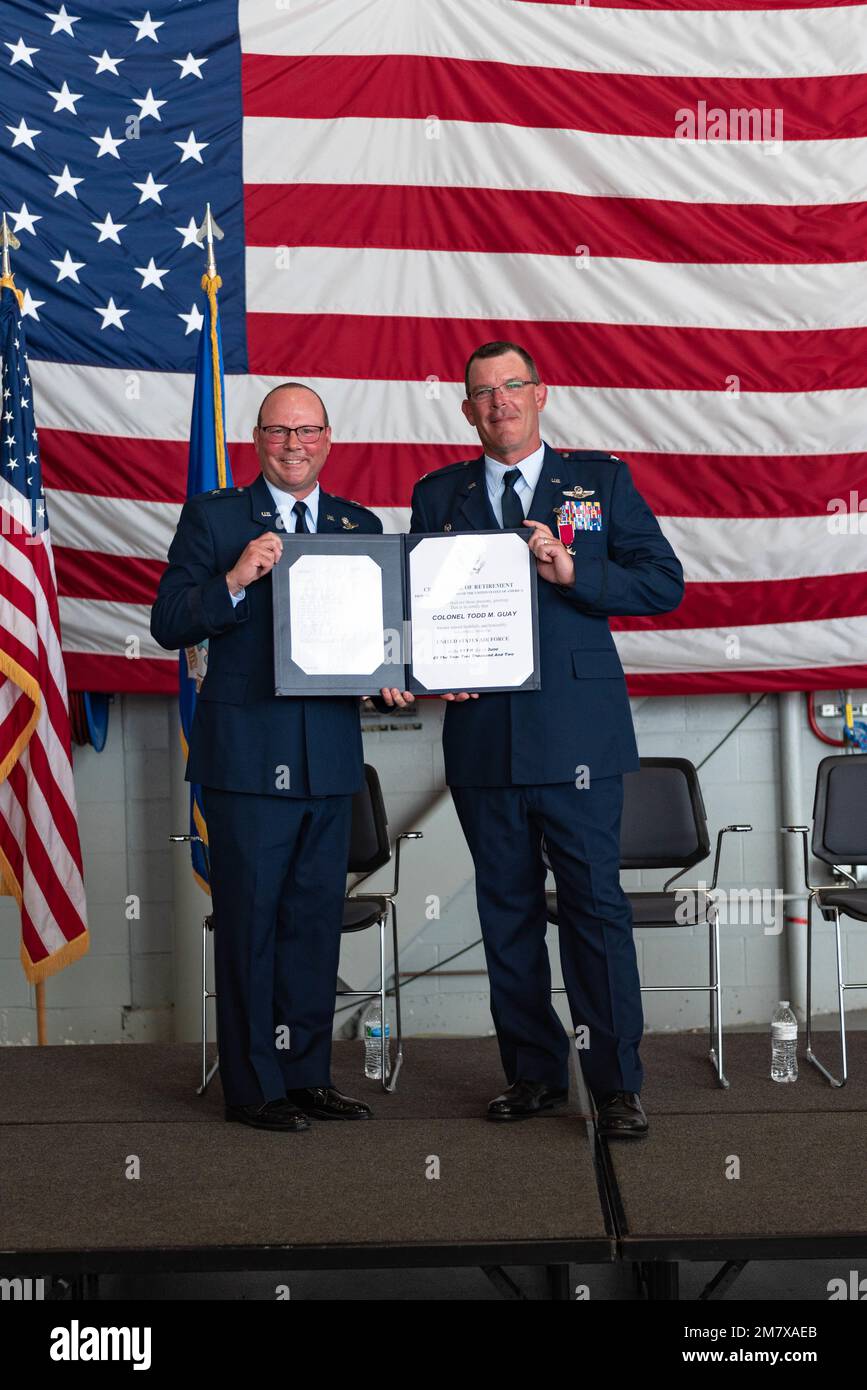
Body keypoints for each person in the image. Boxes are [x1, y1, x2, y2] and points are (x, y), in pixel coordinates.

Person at [410, 342, 684, 1138]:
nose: (499, 402)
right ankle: (532, 1075)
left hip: (579, 741)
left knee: (596, 911)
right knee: (506, 913)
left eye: (512, 387)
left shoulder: (599, 480)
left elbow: (662, 583)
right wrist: (425, 669)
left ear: (540, 395)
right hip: (483, 741)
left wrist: (573, 573)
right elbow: (420, 606)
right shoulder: (439, 494)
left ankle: (615, 1085)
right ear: (467, 411)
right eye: (482, 393)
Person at [151, 382, 412, 1132]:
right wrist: (233, 579)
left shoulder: (357, 525)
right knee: (250, 927)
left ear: (328, 438)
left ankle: (305, 1076)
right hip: (244, 760)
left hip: (329, 760)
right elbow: (168, 622)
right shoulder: (217, 517)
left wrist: (390, 678)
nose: (293, 444)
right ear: (257, 438)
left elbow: (378, 642)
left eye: (307, 430)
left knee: (310, 927)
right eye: (278, 431)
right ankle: (252, 1088)